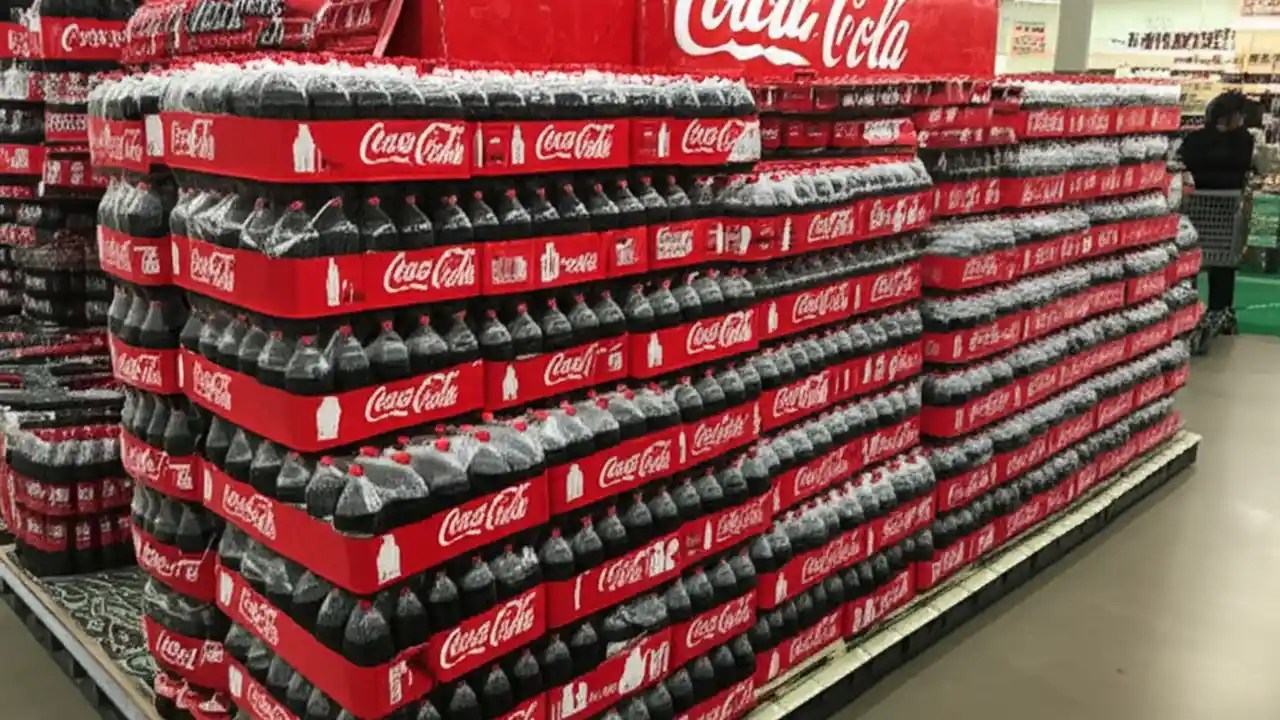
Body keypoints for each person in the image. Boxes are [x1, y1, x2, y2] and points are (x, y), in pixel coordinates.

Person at [1179, 91, 1255, 336]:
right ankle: (1220, 310)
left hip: (1197, 208)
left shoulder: (1195, 139)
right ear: (1234, 116)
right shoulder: (1242, 141)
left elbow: (1184, 161)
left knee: (1191, 260)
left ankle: (1187, 305)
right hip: (1227, 209)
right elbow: (1243, 167)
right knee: (1224, 262)